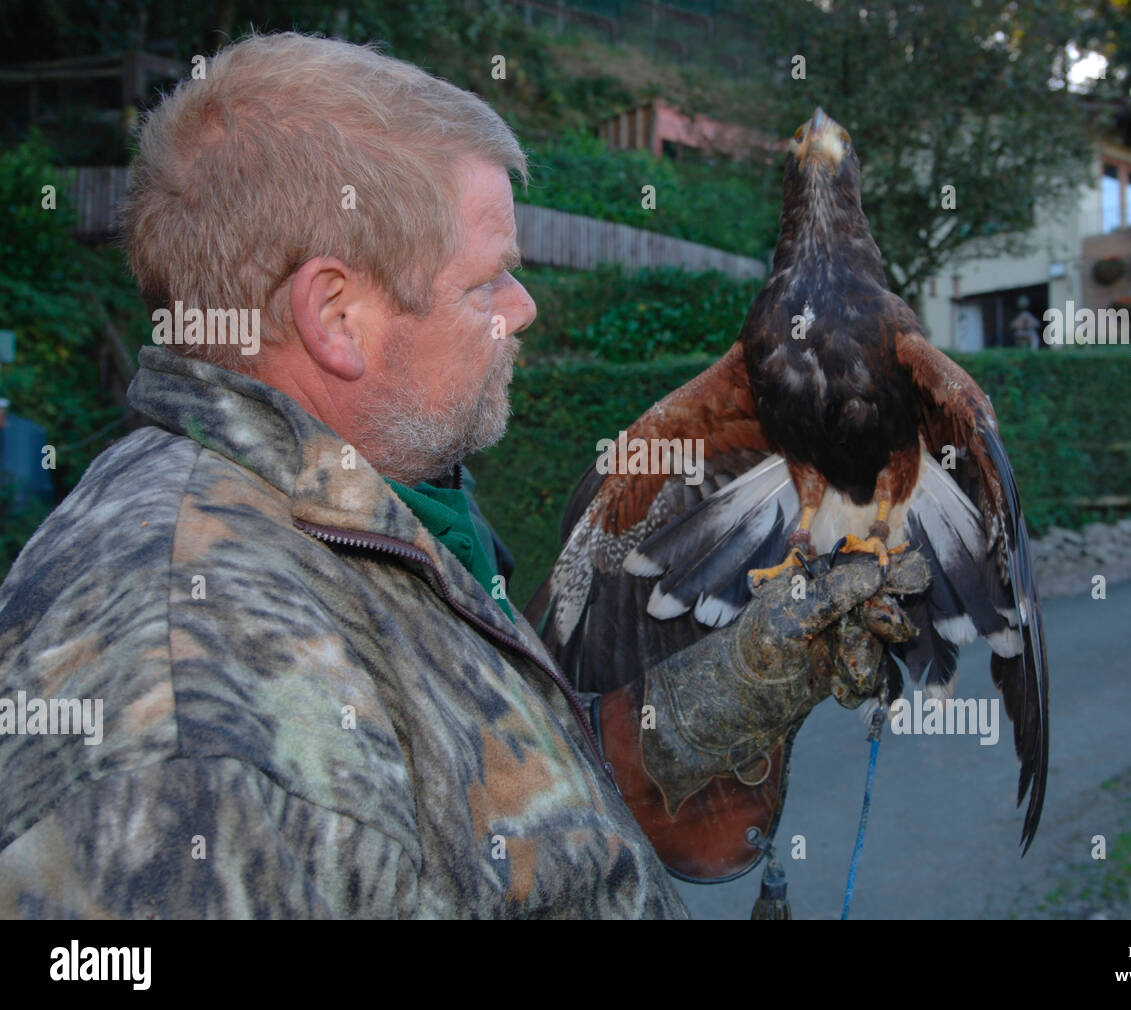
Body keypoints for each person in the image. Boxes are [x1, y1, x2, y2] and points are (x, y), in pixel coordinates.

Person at [0, 33, 919, 918]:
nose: (522, 311)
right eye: (488, 284)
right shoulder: (187, 692)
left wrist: (729, 692)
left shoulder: (370, 507)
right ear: (336, 315)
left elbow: (481, 813)